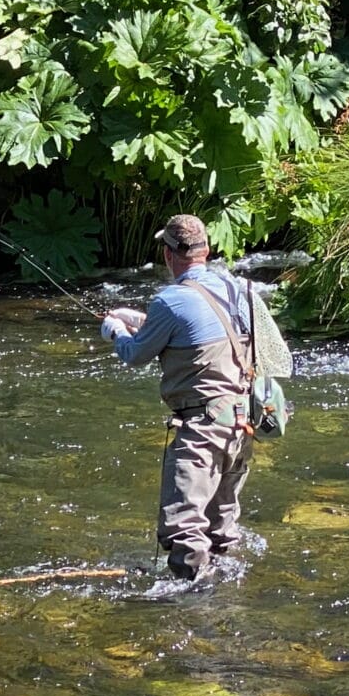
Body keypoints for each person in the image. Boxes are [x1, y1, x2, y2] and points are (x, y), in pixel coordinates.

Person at [100, 214, 255, 581]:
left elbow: (136, 355)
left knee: (183, 529)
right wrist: (142, 320)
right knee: (221, 530)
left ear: (169, 256)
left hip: (202, 430)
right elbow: (203, 329)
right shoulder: (236, 289)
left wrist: (114, 332)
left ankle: (190, 608)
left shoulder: (170, 300)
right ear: (207, 249)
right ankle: (226, 600)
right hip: (240, 421)